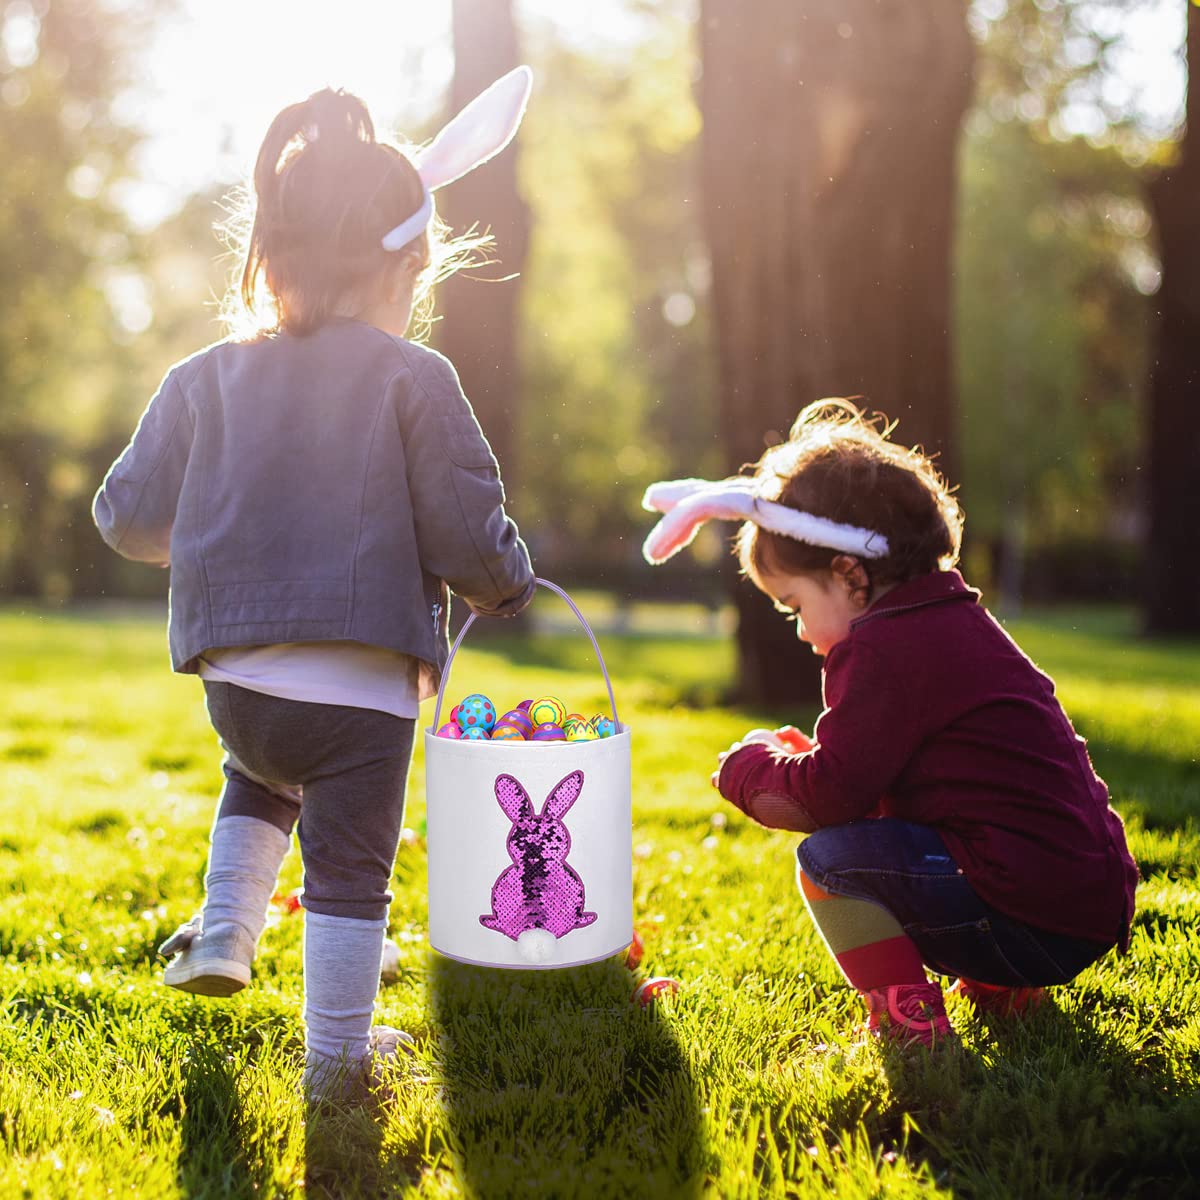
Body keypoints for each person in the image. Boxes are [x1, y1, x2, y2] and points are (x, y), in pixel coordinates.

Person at [93, 69, 538, 1100]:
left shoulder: (202, 377)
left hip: (238, 691)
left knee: (258, 779)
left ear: (271, 258)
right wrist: (505, 587)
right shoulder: (413, 377)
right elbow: (469, 531)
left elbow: (122, 514)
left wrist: (203, 542)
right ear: (411, 265)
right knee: (347, 872)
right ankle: (337, 1062)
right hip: (363, 695)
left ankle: (224, 934)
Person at [641, 399, 1140, 1048]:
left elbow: (829, 799)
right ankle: (1003, 985)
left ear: (849, 574)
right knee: (897, 840)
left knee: (829, 864)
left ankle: (910, 1025)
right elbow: (932, 779)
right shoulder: (946, 618)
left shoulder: (882, 646)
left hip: (1028, 915)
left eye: (794, 605)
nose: (797, 629)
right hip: (1081, 902)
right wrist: (817, 761)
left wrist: (748, 773)